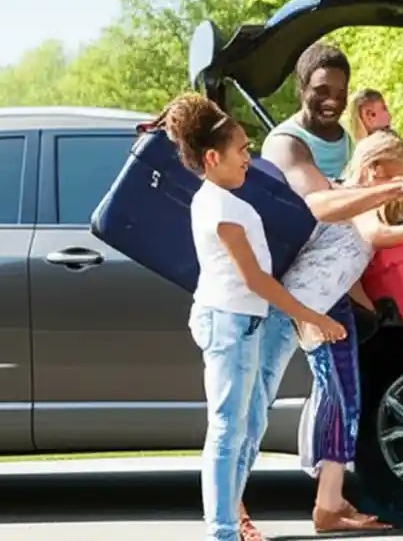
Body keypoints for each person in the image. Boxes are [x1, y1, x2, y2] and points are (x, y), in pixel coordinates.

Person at [234, 42, 403, 537]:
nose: (331, 101)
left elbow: (357, 209)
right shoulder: (287, 142)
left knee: (344, 394)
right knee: (255, 402)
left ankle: (330, 502)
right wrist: (394, 191)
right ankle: (229, 509)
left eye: (339, 92)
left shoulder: (343, 138)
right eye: (322, 90)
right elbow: (321, 204)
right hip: (282, 291)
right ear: (302, 88)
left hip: (328, 286)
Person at [155, 93, 349, 541]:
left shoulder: (225, 199)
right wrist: (310, 316)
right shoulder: (221, 208)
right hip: (229, 323)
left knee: (250, 423)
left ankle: (228, 520)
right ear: (212, 156)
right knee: (227, 428)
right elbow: (256, 280)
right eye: (242, 150)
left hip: (242, 321)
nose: (249, 158)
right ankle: (222, 530)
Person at [282, 130, 403, 534]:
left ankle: (331, 500)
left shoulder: (360, 200)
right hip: (313, 304)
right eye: (395, 176)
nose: (398, 187)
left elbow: (354, 258)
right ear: (374, 170)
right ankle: (327, 505)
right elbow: (376, 236)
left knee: (345, 397)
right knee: (339, 398)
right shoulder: (355, 197)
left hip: (330, 301)